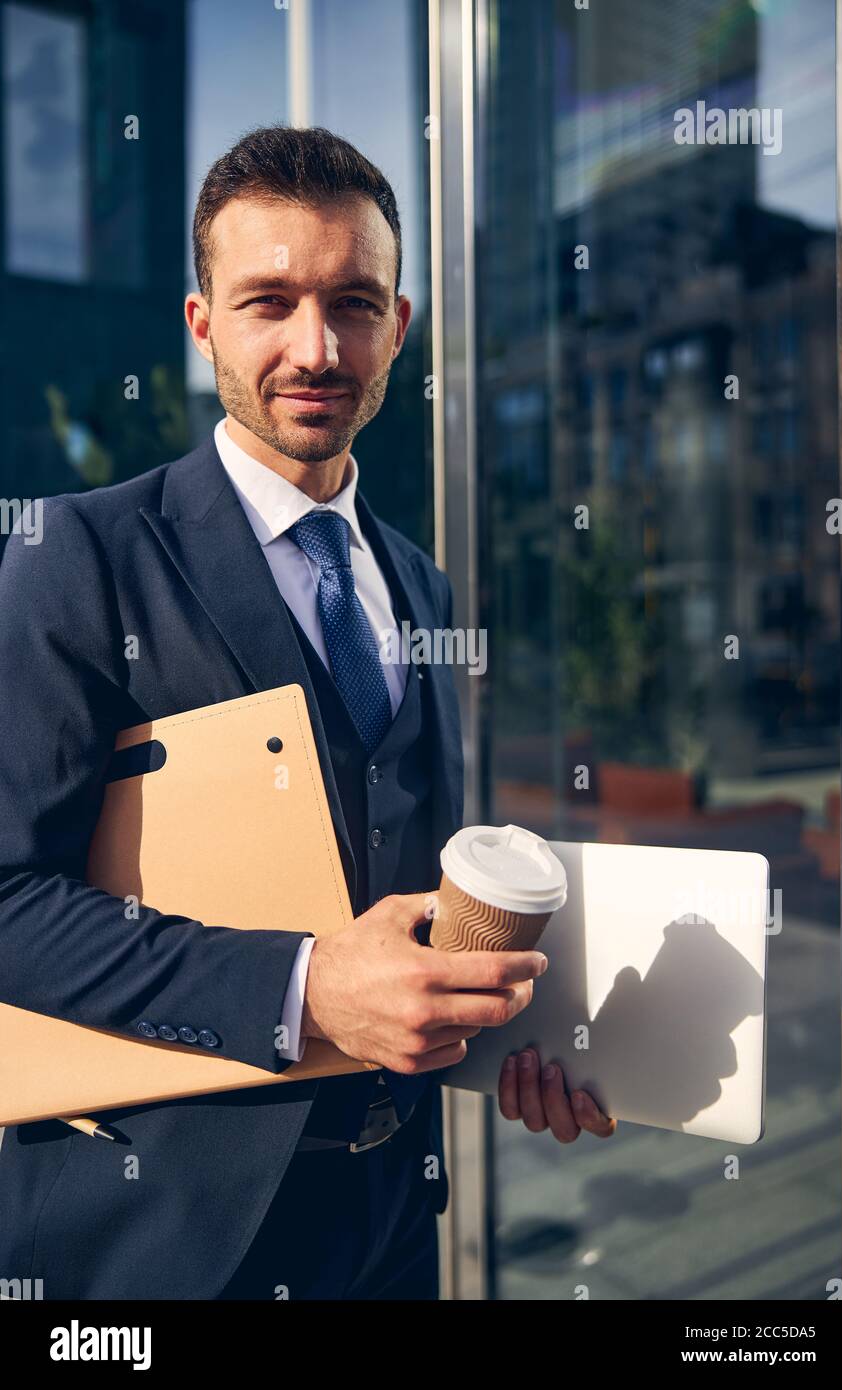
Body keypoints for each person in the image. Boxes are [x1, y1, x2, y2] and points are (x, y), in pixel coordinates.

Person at [0, 125, 614, 1302]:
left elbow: (411, 888)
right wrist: (298, 988)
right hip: (162, 1240)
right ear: (202, 325)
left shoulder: (418, 583)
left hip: (391, 1223)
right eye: (268, 302)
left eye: (353, 303)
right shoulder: (78, 556)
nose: (316, 347)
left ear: (399, 323)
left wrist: (525, 1034)